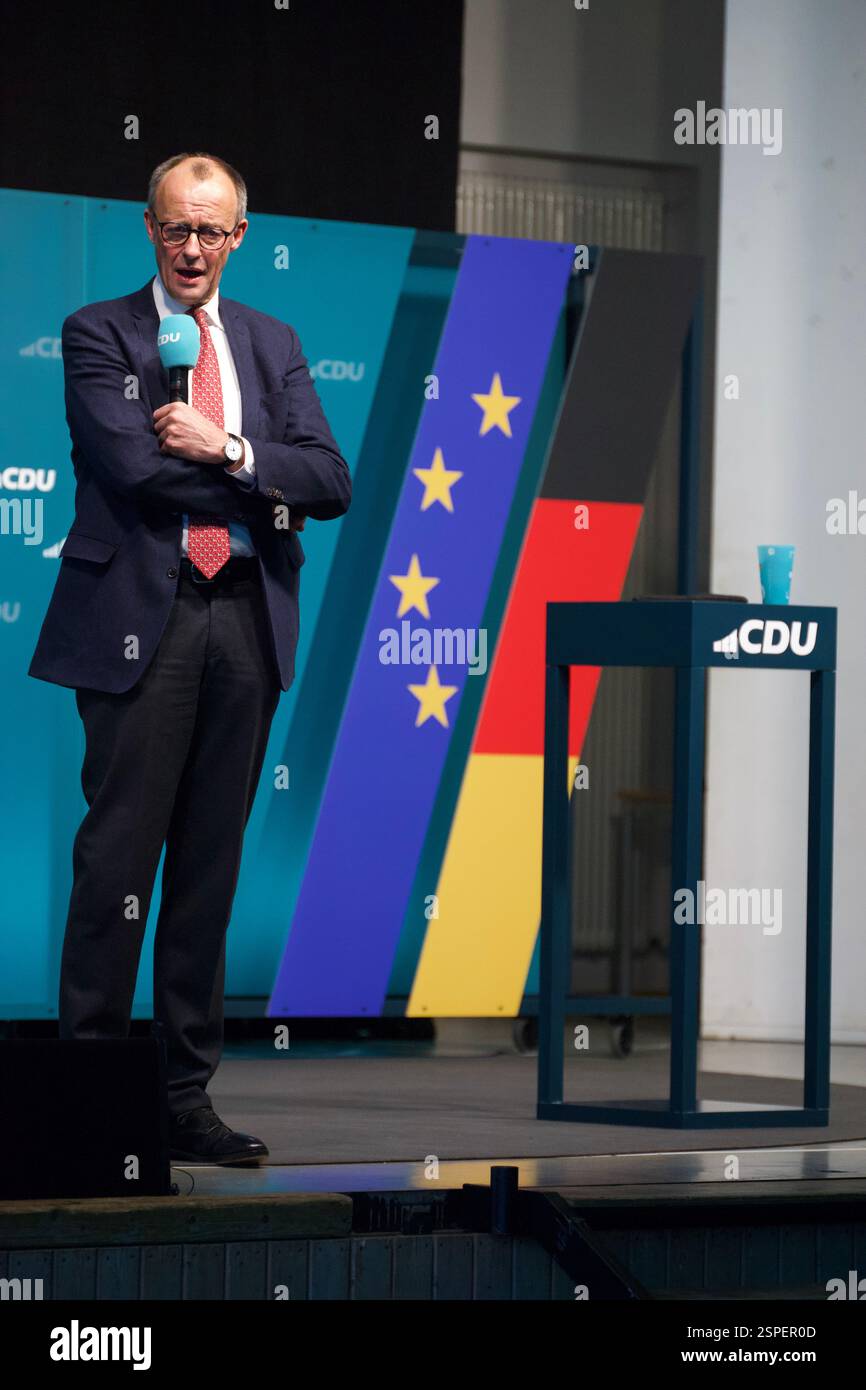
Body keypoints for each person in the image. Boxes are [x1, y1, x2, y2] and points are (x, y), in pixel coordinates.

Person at [29, 151, 351, 1164]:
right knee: (115, 864)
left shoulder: (273, 341)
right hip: (143, 623)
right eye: (177, 228)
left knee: (206, 872)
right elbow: (131, 470)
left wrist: (228, 450)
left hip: (243, 623)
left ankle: (184, 1100)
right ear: (150, 228)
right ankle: (84, 1091)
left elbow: (331, 480)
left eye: (212, 230)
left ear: (240, 237)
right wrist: (266, 485)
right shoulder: (99, 332)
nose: (194, 247)